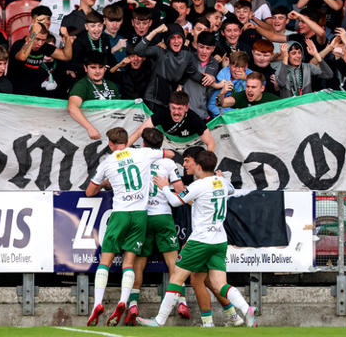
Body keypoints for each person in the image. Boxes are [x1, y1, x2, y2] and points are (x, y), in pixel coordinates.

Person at [137, 150, 257, 327]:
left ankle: (159, 320)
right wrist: (221, 178)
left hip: (200, 240)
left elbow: (175, 202)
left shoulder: (198, 186)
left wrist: (164, 187)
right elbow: (231, 189)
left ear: (199, 166)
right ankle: (247, 309)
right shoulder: (222, 182)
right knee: (220, 284)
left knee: (176, 278)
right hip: (219, 241)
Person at [85, 126, 174, 327]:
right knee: (129, 262)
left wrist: (105, 183)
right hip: (140, 215)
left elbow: (90, 192)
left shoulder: (108, 162)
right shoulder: (142, 153)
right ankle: (124, 301)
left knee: (105, 261)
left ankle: (97, 304)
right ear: (127, 141)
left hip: (120, 214)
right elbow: (169, 153)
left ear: (111, 144)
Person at [126, 127, 187, 325]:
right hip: (163, 216)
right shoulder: (168, 163)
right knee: (173, 262)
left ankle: (133, 304)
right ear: (161, 144)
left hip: (142, 216)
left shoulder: (136, 158)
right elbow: (180, 190)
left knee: (138, 263)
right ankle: (182, 301)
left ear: (144, 143)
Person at [134, 23, 211, 114]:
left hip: (169, 103)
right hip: (152, 101)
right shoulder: (160, 51)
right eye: (172, 38)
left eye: (179, 37)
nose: (176, 41)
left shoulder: (187, 55)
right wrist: (155, 31)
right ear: (167, 40)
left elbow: (193, 74)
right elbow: (138, 50)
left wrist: (212, 80)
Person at [129, 90, 216, 151]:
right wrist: (123, 148)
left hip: (189, 146)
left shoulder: (194, 119)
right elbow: (140, 131)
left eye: (180, 109)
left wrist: (207, 166)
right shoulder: (162, 113)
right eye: (173, 108)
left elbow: (211, 143)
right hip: (166, 145)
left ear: (186, 108)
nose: (176, 112)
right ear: (169, 106)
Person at [68, 51, 121, 139]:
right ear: (85, 68)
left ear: (105, 68)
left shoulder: (112, 85)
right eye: (93, 67)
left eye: (101, 67)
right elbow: (72, 108)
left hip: (111, 133)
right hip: (89, 134)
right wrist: (90, 128)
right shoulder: (82, 85)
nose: (97, 71)